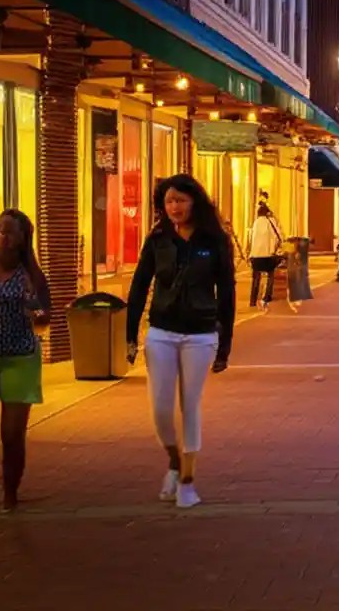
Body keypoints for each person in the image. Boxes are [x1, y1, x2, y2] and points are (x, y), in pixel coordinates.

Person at [126, 175, 236, 509]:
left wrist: (225, 342)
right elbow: (139, 285)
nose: (175, 206)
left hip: (201, 334)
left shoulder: (214, 240)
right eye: (169, 201)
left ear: (195, 202)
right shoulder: (158, 239)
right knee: (160, 408)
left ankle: (188, 480)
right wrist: (130, 335)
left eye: (181, 200)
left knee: (190, 404)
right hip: (161, 331)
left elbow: (227, 293)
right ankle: (174, 459)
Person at [0, 210, 50, 513]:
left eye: (10, 231)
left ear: (23, 239)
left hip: (21, 359)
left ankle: (11, 493)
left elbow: (43, 320)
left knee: (11, 435)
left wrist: (33, 305)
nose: (4, 236)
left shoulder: (31, 274)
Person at [246, 204, 283, 311]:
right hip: (267, 255)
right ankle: (267, 296)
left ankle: (253, 299)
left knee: (256, 277)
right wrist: (274, 249)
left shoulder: (255, 223)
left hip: (255, 255)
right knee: (270, 274)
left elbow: (250, 239)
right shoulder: (270, 222)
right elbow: (278, 237)